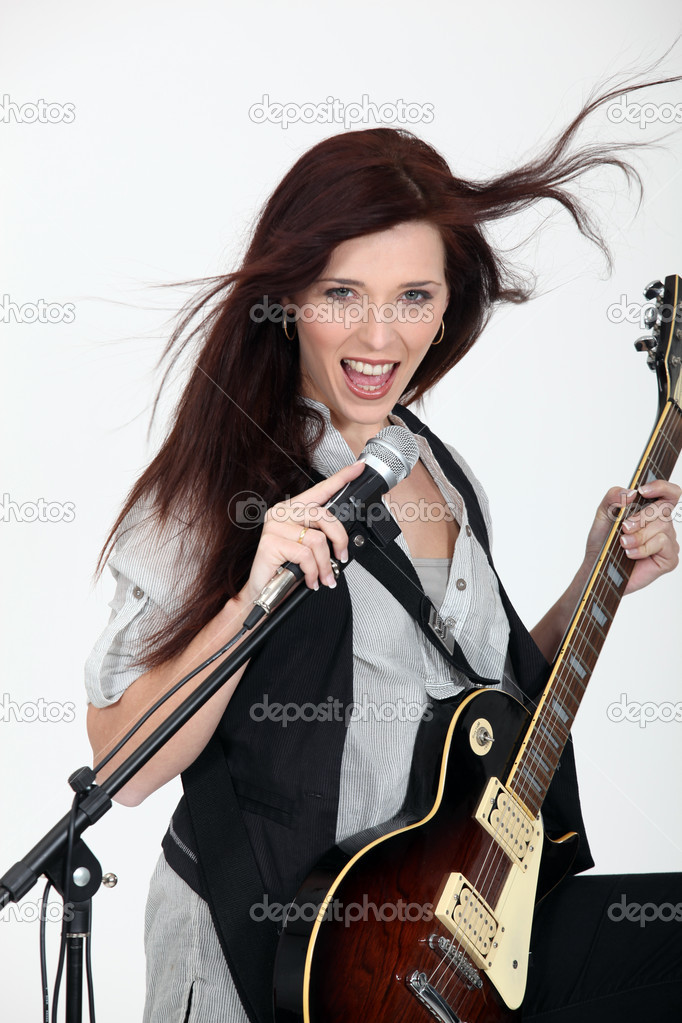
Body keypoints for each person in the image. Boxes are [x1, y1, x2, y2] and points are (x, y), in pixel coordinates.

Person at [85, 73, 682, 1023]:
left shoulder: (438, 472)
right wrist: (251, 598)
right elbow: (121, 764)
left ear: (448, 306)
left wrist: (596, 578)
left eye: (413, 295)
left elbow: (483, 709)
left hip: (434, 948)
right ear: (287, 297)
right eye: (341, 293)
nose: (379, 334)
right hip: (278, 951)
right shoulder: (216, 480)